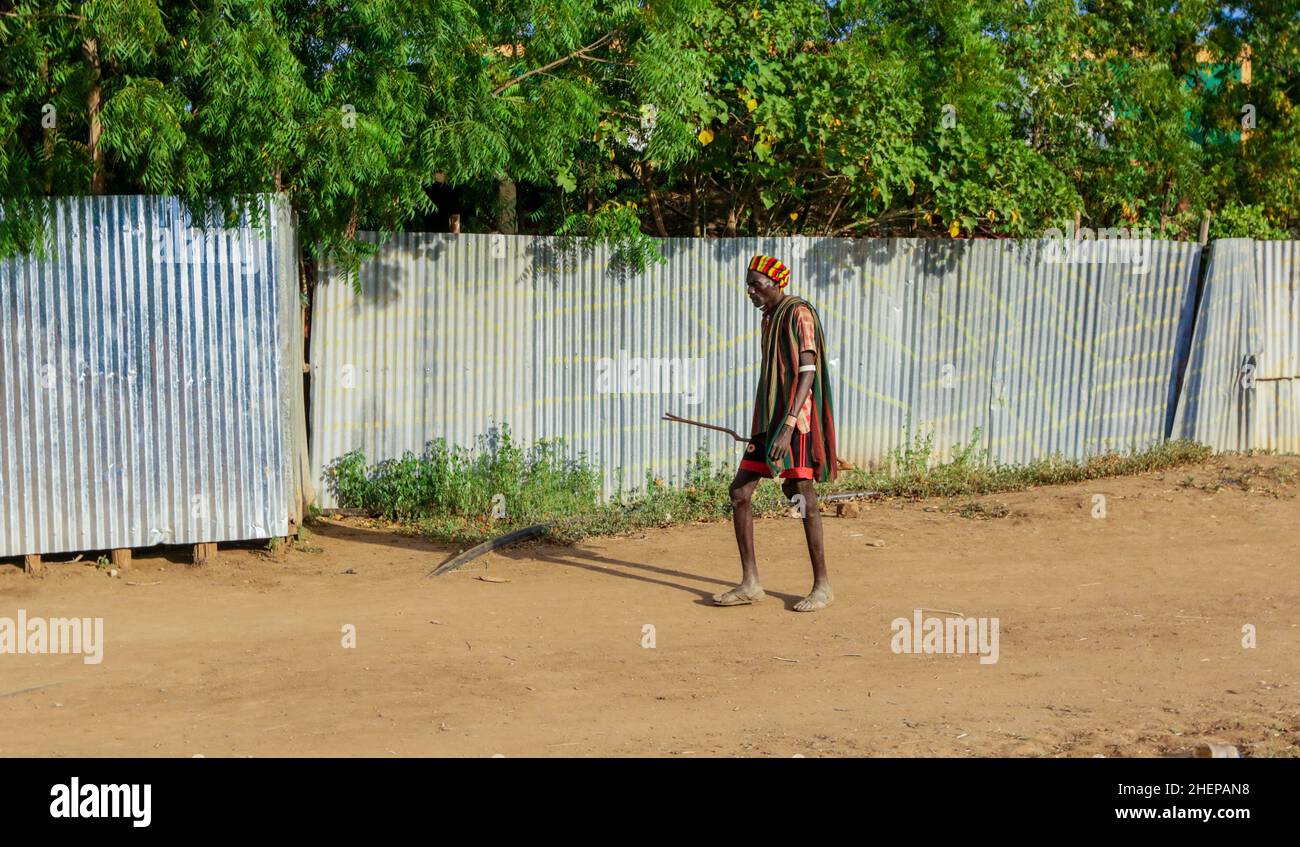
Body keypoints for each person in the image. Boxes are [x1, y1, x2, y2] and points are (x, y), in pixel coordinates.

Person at [714, 255, 838, 612]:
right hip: (770, 420)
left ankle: (822, 585)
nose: (751, 291)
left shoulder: (798, 313)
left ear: (777, 282)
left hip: (795, 421)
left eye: (757, 284)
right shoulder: (769, 318)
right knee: (740, 492)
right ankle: (751, 583)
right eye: (748, 285)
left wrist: (787, 425)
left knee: (801, 493)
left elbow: (808, 371)